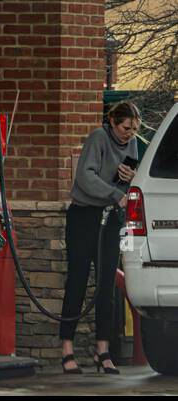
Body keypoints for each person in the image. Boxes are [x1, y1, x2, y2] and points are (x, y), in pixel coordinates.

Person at [58, 100, 140, 375]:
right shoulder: (99, 138)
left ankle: (102, 350)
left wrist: (130, 178)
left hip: (111, 217)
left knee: (106, 284)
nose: (130, 134)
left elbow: (126, 181)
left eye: (134, 129)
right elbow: (85, 176)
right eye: (126, 128)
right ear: (113, 122)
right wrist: (116, 194)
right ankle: (67, 348)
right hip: (85, 216)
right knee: (78, 279)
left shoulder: (131, 143)